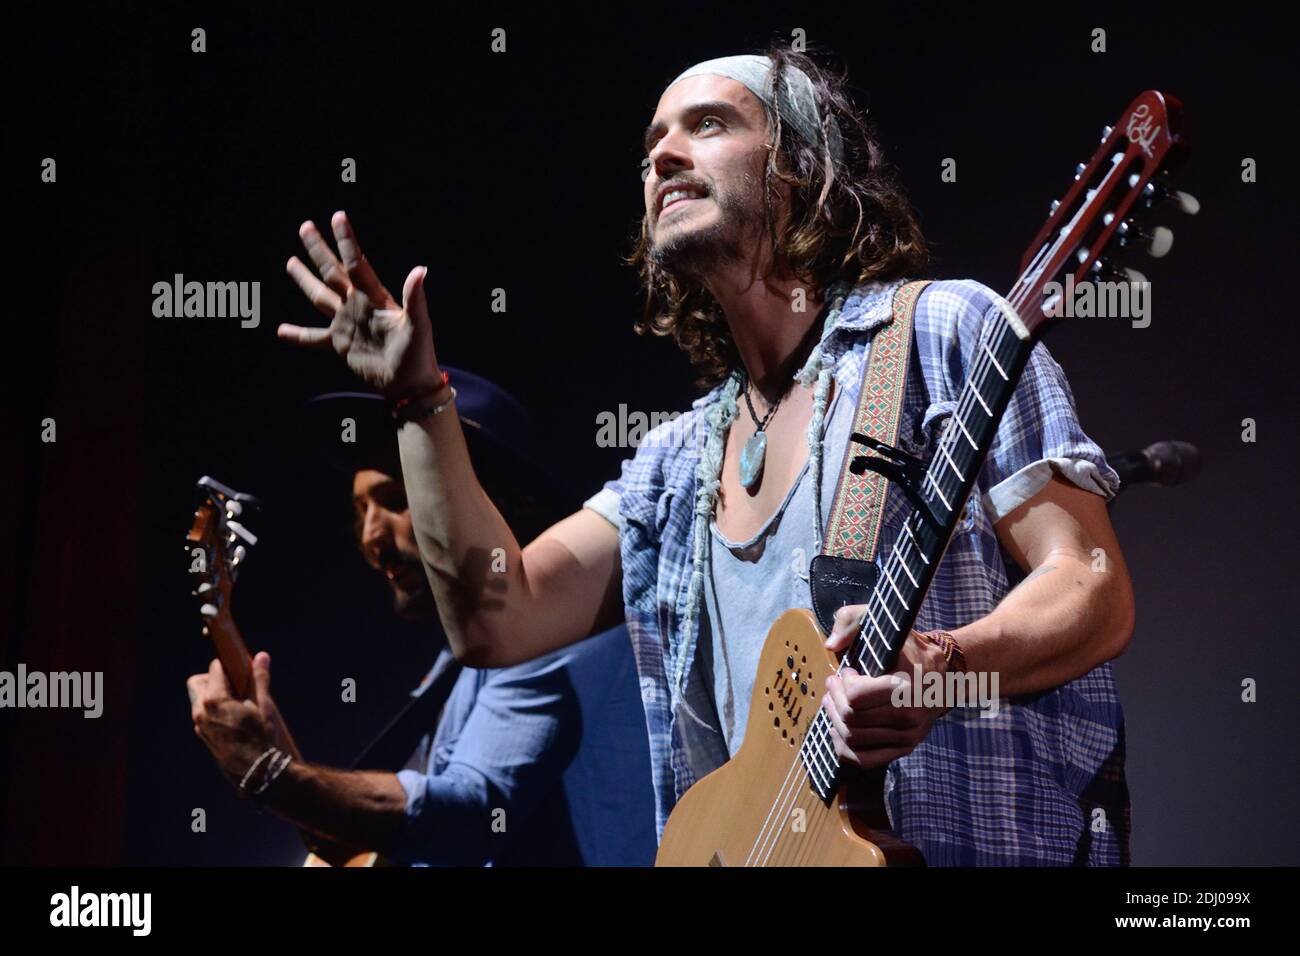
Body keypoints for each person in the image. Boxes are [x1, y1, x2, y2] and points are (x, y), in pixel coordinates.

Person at [275, 45, 1136, 866]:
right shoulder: (675, 463)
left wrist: (940, 671)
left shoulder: (943, 333)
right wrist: (418, 401)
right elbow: (494, 616)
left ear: (803, 165)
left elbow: (1093, 588)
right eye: (652, 146)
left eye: (709, 125)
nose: (665, 158)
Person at [186, 371, 657, 866]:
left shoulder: (558, 630)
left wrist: (271, 774)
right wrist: (276, 761)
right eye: (360, 511)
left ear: (485, 503)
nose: (370, 538)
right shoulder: (453, 668)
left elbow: (468, 815)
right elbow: (377, 835)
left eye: (395, 502)